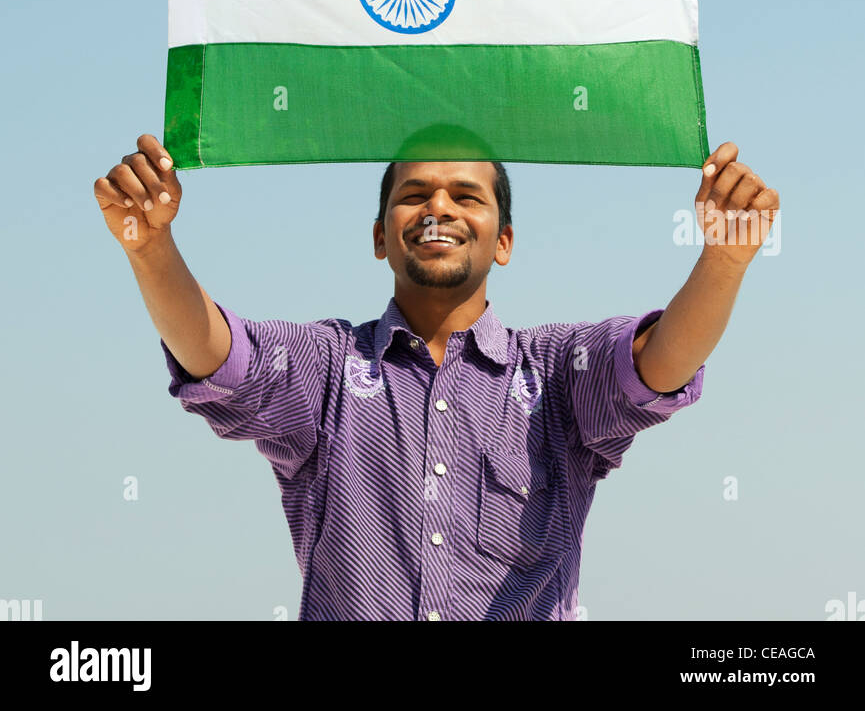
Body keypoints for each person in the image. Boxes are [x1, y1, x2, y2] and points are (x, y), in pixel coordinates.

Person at [94, 133, 778, 622]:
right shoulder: (329, 371)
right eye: (414, 193)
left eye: (466, 195)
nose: (438, 208)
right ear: (378, 235)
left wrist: (723, 260)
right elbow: (220, 359)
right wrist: (150, 248)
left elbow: (657, 365)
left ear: (503, 240)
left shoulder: (555, 377)